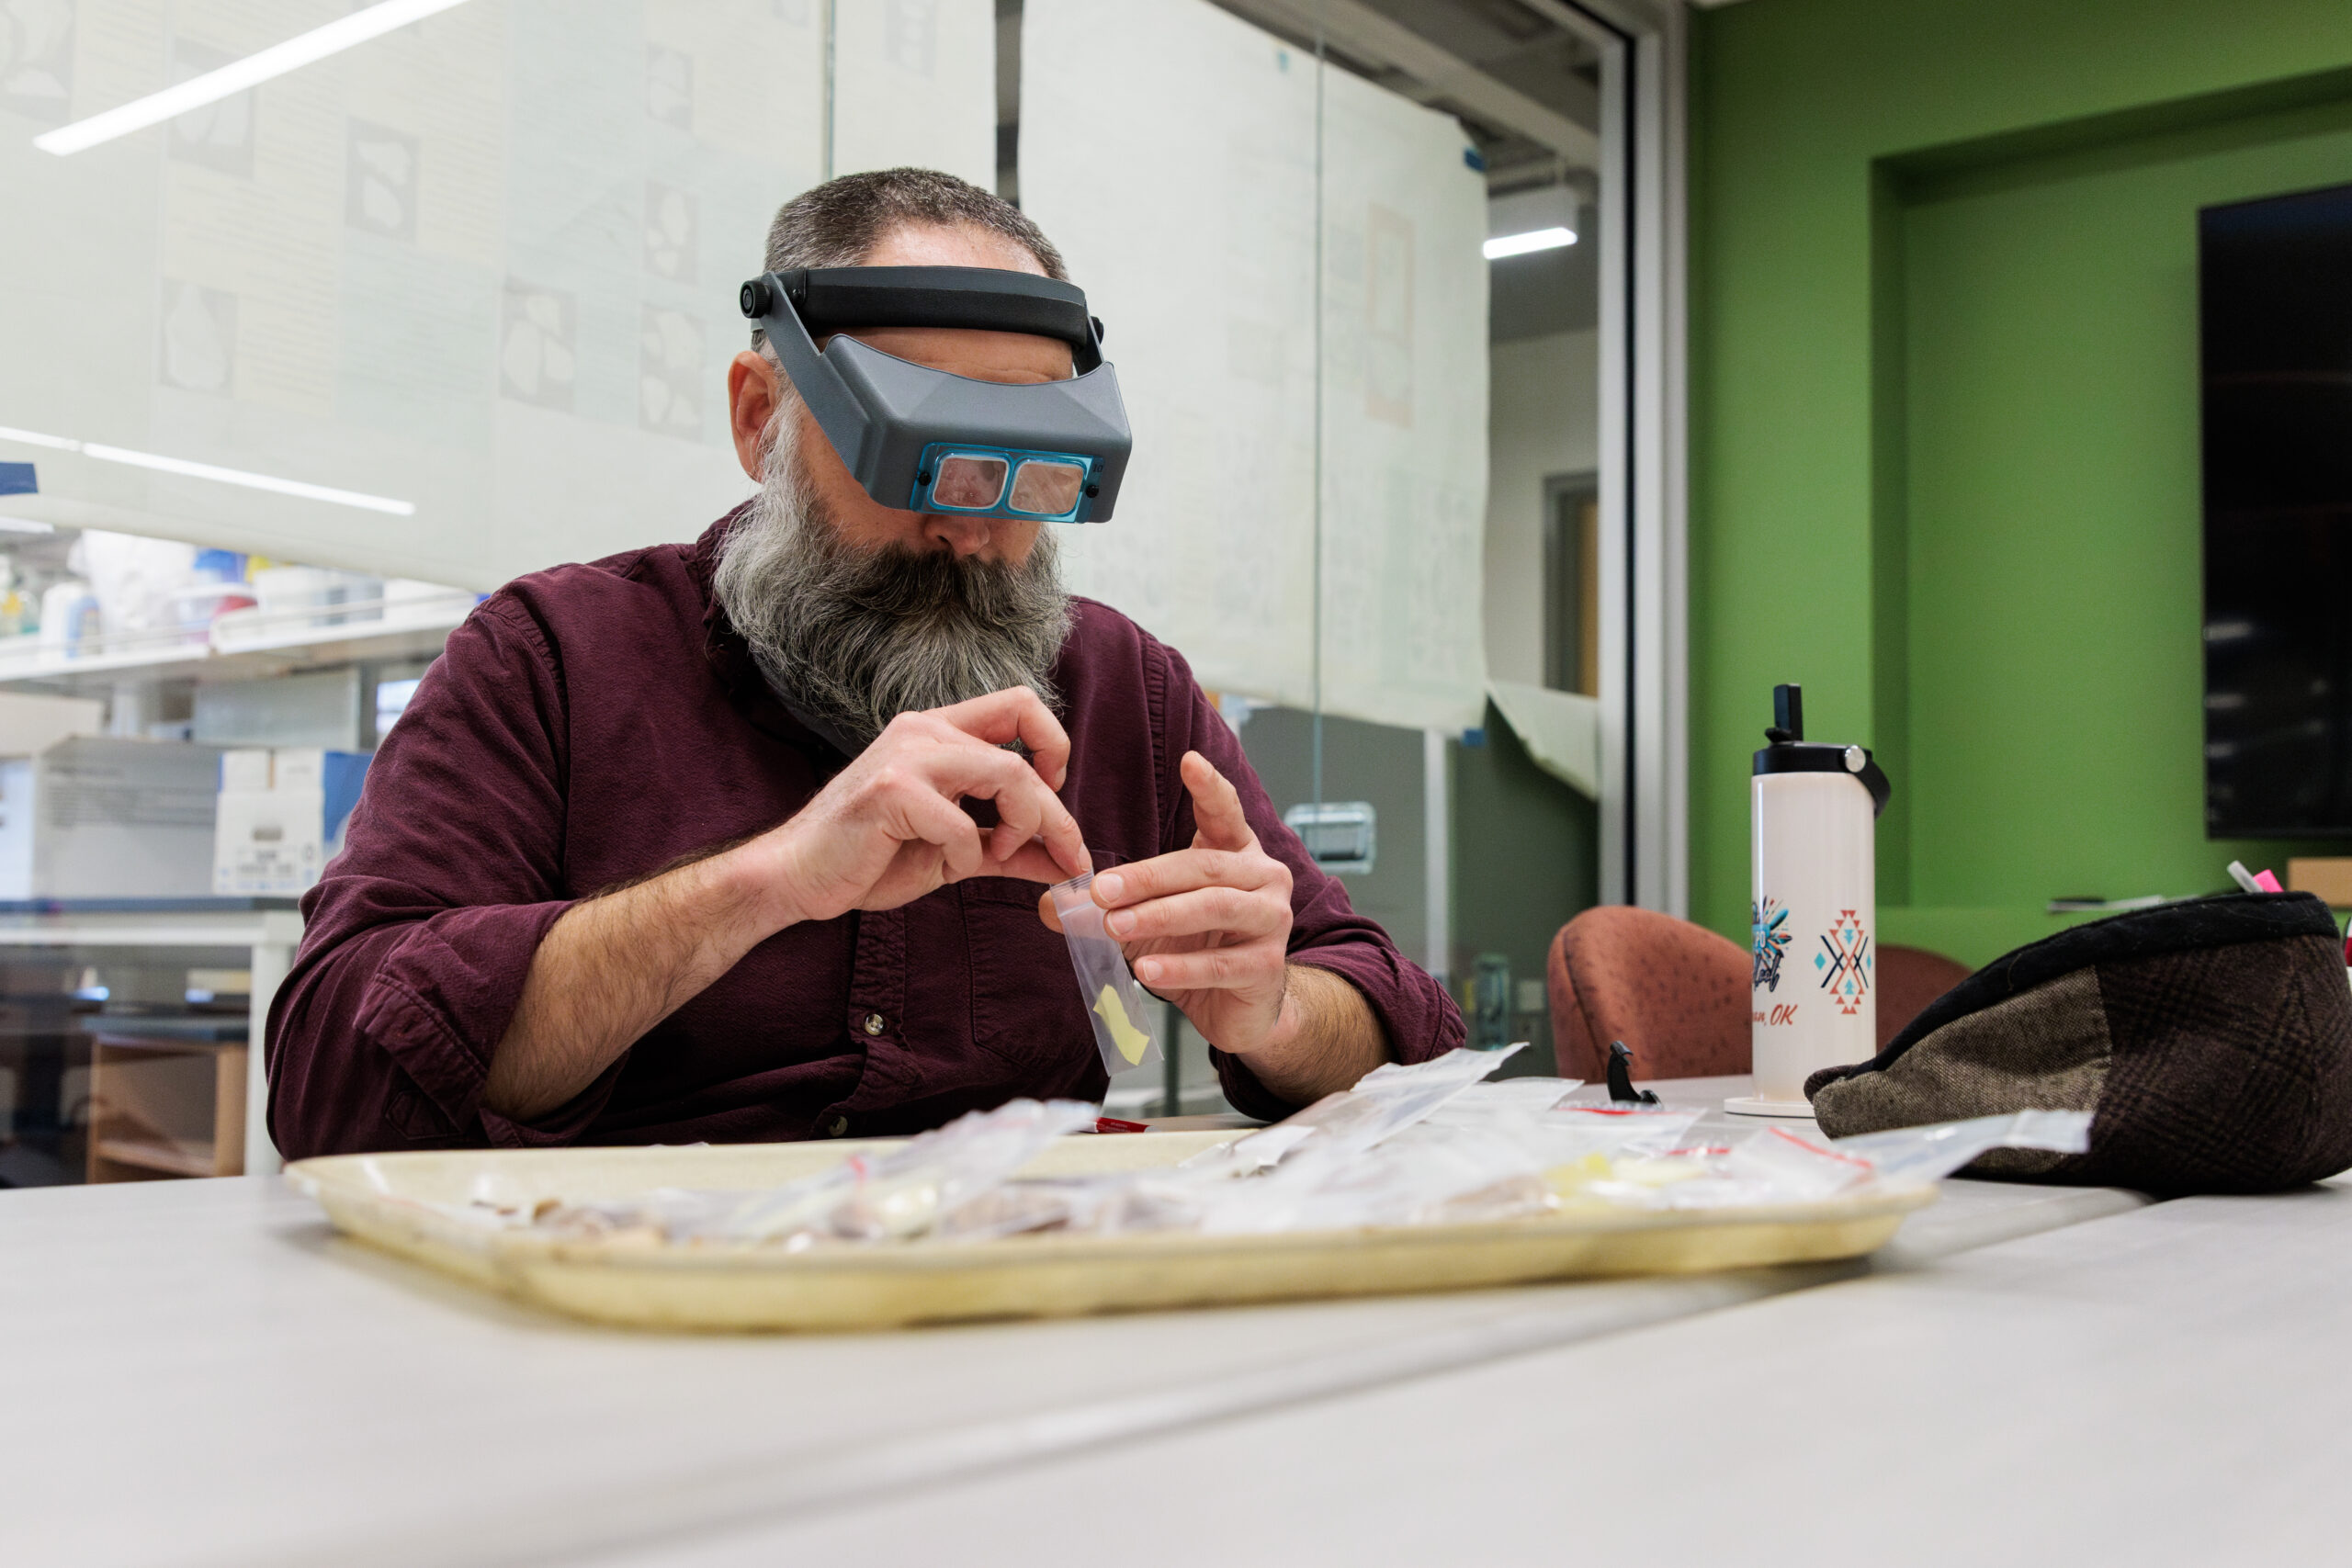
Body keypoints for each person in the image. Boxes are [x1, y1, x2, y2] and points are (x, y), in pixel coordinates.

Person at [267, 168, 1463, 1156]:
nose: (971, 530)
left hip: (1023, 1294)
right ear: (760, 419)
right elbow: (334, 1080)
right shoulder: (554, 661)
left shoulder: (1125, 692)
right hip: (633, 1301)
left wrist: (1276, 1012)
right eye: (918, 461)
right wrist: (765, 883)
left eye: (1030, 475)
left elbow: (1405, 1035)